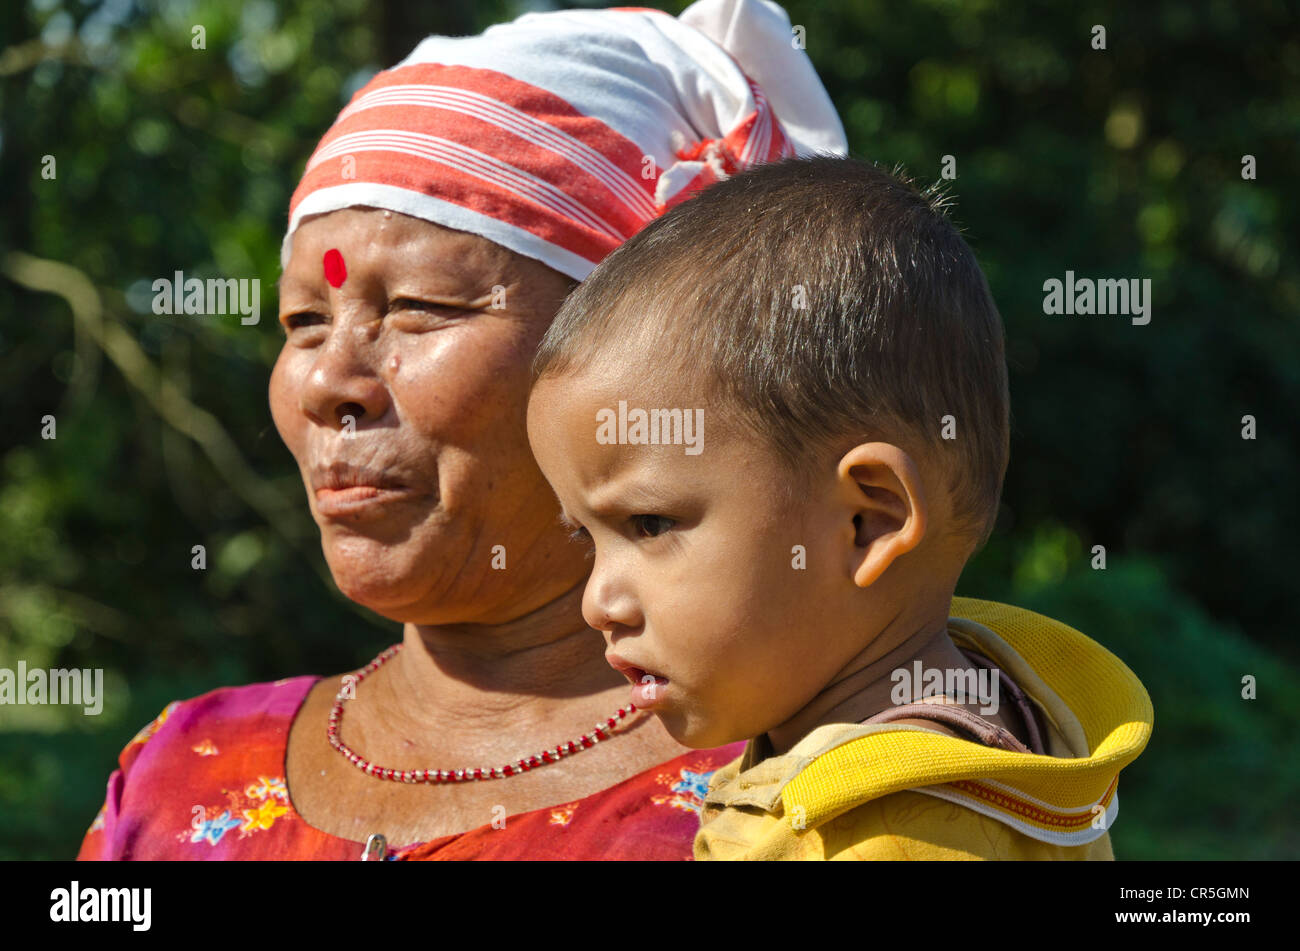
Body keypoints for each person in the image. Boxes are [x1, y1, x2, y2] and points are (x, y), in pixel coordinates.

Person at [76, 0, 849, 860]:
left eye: (415, 309)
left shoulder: (822, 798)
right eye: (301, 321)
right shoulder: (174, 775)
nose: (330, 381)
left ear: (648, 352)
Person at [525, 155, 1155, 859]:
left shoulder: (880, 835)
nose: (597, 604)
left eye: (649, 524)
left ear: (869, 521)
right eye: (588, 537)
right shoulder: (998, 724)